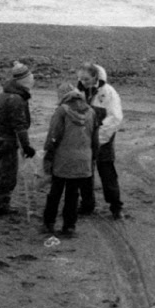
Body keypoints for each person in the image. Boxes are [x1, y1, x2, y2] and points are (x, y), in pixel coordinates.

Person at [41, 82, 99, 238]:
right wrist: (92, 157)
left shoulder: (61, 111)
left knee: (55, 191)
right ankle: (69, 226)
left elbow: (53, 136)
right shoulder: (91, 112)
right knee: (73, 194)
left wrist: (48, 153)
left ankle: (49, 222)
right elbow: (95, 139)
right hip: (83, 159)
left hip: (63, 158)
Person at [76, 62, 124, 218]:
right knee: (85, 173)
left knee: (107, 172)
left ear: (95, 77)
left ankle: (115, 206)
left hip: (103, 140)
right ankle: (87, 204)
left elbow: (115, 118)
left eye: (87, 78)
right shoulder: (79, 93)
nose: (83, 82)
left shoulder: (108, 92)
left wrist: (98, 137)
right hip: (84, 139)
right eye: (81, 79)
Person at [0, 62, 36, 216]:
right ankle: (0, 206)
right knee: (7, 175)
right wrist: (26, 146)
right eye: (30, 78)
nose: (33, 81)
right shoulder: (15, 99)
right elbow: (19, 126)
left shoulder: (3, 95)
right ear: (24, 81)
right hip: (6, 141)